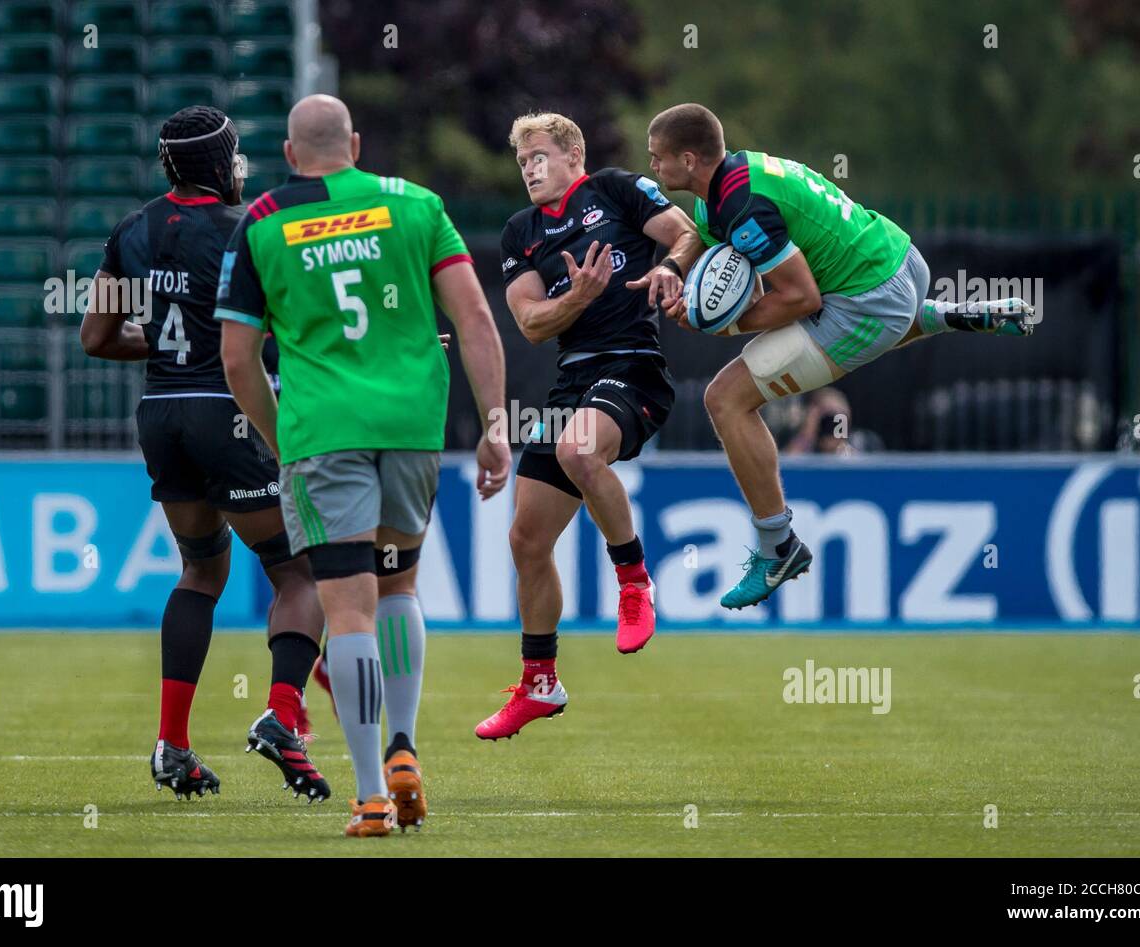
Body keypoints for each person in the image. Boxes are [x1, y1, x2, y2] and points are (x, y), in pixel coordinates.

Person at [218, 94, 510, 837]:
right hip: (413, 424)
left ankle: (372, 793)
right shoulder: (417, 205)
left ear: (289, 155)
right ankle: (406, 743)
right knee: (400, 583)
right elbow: (475, 319)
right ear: (355, 140)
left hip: (325, 431)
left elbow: (236, 357)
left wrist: (281, 437)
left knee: (347, 608)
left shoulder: (261, 223)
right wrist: (496, 425)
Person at [646, 103, 1036, 609]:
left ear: (691, 159)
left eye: (658, 158)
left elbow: (801, 298)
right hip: (901, 261)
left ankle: (778, 548)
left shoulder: (740, 207)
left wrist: (724, 324)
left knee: (726, 399)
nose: (653, 167)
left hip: (869, 298)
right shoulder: (736, 178)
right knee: (848, 336)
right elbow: (709, 237)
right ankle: (947, 315)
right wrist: (676, 268)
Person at [80, 106, 329, 802]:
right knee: (299, 572)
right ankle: (282, 713)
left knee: (198, 571)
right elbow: (292, 331)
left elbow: (96, 336)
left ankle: (173, 746)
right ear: (221, 164)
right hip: (230, 410)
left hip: (159, 414)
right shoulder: (247, 229)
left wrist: (158, 342)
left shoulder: (132, 231)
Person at [473, 112, 702, 742]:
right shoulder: (520, 232)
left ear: (574, 154)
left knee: (578, 451)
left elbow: (684, 232)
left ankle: (633, 581)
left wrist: (671, 268)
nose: (530, 169)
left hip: (632, 369)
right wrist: (577, 297)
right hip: (572, 381)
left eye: (540, 156)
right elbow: (530, 323)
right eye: (522, 162)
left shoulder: (614, 188)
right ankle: (540, 681)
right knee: (525, 541)